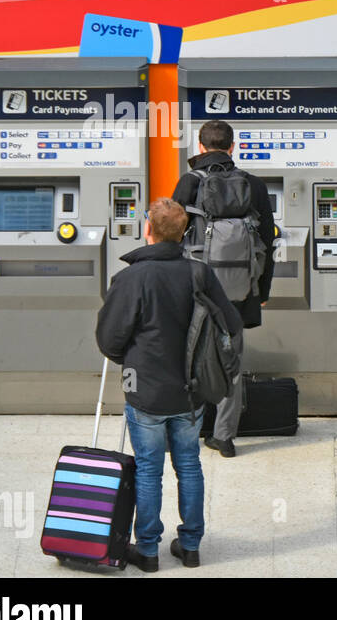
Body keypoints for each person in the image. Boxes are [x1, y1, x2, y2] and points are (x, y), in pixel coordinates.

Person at [96, 198, 243, 572]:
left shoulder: (130, 278)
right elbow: (231, 322)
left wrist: (130, 360)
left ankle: (147, 551)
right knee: (189, 465)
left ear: (149, 231)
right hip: (191, 391)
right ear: (184, 234)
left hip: (145, 391)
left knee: (148, 469)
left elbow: (110, 338)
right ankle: (190, 546)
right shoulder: (199, 273)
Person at [171, 119, 276, 458]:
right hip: (239, 291)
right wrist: (262, 291)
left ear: (200, 147)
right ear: (233, 147)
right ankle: (225, 437)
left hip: (195, 288)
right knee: (232, 361)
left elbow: (171, 237)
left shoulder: (188, 183)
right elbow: (266, 242)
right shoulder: (253, 185)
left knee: (188, 358)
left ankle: (188, 430)